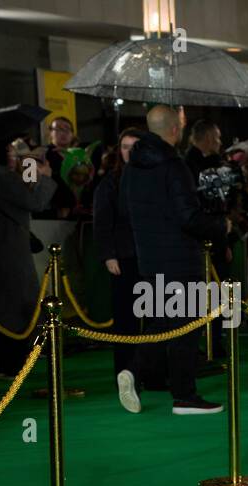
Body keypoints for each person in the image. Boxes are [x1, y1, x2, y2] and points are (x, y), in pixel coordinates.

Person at [117, 105, 228, 414]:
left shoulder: (132, 167)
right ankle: (184, 396)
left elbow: (125, 211)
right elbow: (188, 217)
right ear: (176, 129)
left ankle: (134, 372)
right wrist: (222, 225)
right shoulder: (173, 165)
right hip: (180, 258)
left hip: (150, 259)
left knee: (161, 322)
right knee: (184, 328)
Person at [0, 136, 56, 379]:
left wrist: (32, 170)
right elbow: (34, 201)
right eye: (10, 152)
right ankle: (14, 365)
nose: (14, 157)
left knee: (4, 306)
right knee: (16, 307)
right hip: (8, 251)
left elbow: (21, 197)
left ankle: (9, 364)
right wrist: (44, 176)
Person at [92, 126, 156, 406]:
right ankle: (124, 375)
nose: (129, 151)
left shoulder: (152, 177)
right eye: (125, 146)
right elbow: (102, 222)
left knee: (157, 318)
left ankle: (151, 374)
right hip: (124, 258)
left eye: (135, 146)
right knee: (126, 321)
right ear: (119, 150)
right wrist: (109, 255)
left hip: (151, 257)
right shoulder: (109, 182)